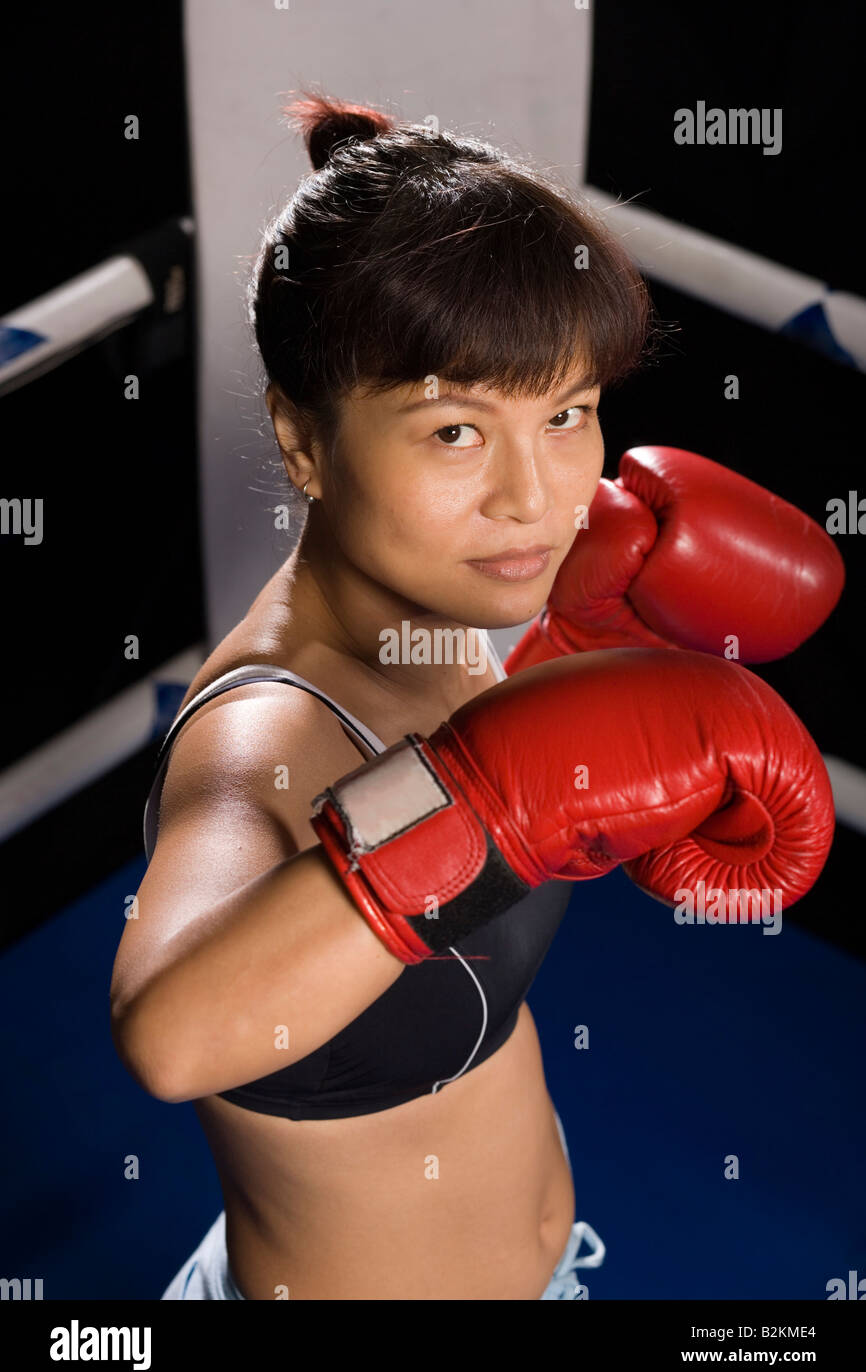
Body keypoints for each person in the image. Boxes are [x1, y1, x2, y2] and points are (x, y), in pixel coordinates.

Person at [109, 93, 837, 1301]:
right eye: (453, 432)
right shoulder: (270, 730)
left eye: (566, 414)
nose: (533, 495)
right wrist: (481, 805)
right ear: (302, 442)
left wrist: (569, 649)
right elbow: (170, 1034)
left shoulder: (454, 610)